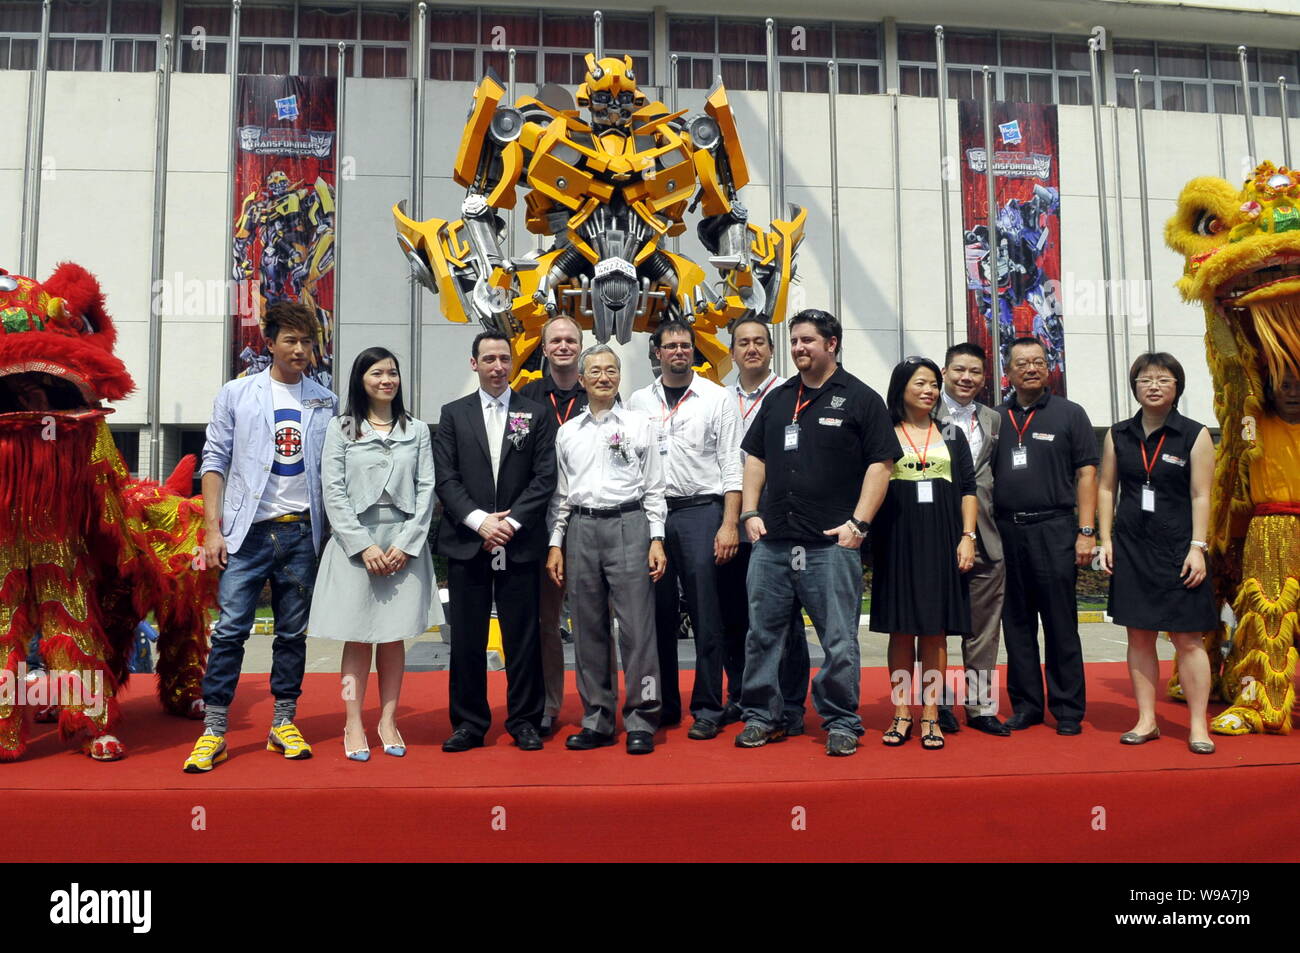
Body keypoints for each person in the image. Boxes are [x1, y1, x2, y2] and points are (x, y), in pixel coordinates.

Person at [735, 309, 897, 757]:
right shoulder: (779, 397)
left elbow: (881, 465)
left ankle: (842, 720)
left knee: (838, 640)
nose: (799, 349)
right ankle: (764, 717)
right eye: (794, 342)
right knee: (763, 635)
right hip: (773, 542)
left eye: (807, 340)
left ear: (832, 344)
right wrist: (749, 512)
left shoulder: (862, 399)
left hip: (830, 545)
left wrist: (859, 524)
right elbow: (755, 458)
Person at [185, 302, 337, 773]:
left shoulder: (323, 399)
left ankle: (284, 720)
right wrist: (212, 531)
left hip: (302, 533)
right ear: (268, 344)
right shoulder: (237, 394)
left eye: (306, 341)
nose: (299, 349)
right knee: (231, 629)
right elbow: (214, 462)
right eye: (290, 340)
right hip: (247, 532)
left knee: (293, 633)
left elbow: (333, 469)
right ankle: (214, 729)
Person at [308, 347, 442, 760]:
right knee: (358, 635)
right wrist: (362, 545)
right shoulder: (342, 428)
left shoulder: (416, 430)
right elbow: (332, 490)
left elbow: (426, 489)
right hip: (356, 545)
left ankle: (388, 720)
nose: (386, 380)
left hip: (403, 540)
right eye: (376, 373)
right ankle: (352, 721)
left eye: (392, 373)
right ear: (360, 380)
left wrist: (405, 543)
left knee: (392, 635)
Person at [433, 330, 556, 752]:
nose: (498, 367)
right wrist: (480, 522)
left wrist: (512, 523)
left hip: (519, 542)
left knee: (523, 635)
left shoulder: (535, 414)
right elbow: (445, 478)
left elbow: (544, 477)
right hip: (469, 541)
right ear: (474, 364)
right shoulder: (453, 414)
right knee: (467, 637)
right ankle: (468, 722)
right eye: (489, 359)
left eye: (505, 358)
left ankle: (524, 719)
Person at [546, 344, 667, 754]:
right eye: (594, 370)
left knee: (636, 629)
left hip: (628, 525)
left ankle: (642, 718)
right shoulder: (568, 432)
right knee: (588, 629)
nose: (603, 377)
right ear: (581, 380)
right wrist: (556, 543)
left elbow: (654, 487)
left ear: (619, 377)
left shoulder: (639, 424)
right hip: (581, 528)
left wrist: (656, 537)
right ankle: (597, 717)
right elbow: (561, 496)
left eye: (611, 370)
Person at [628, 319, 742, 739]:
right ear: (656, 352)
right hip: (652, 515)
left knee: (706, 613)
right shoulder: (638, 401)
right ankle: (664, 704)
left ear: (694, 351)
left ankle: (709, 705)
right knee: (655, 616)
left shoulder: (717, 398)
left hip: (701, 512)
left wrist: (730, 523)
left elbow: (733, 465)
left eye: (685, 346)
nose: (679, 352)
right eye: (670, 346)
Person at [1098, 353, 1217, 753]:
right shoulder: (1118, 434)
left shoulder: (1194, 434)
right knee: (1139, 635)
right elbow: (1105, 489)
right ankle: (1146, 720)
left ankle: (1199, 725)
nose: (1153, 386)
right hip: (1132, 547)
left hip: (1180, 549)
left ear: (1177, 387)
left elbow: (1202, 495)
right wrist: (1106, 540)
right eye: (1145, 379)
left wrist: (1198, 547)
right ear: (1134, 387)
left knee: (1188, 638)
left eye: (1163, 379)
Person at [992, 336, 1098, 736]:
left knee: (1060, 623)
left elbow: (1086, 473)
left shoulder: (1070, 414)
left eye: (1038, 360)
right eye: (1022, 363)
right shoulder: (994, 417)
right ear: (1009, 371)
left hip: (1054, 528)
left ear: (1049, 365)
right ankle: (1027, 706)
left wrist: (1086, 532)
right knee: (1016, 624)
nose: (1031, 368)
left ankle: (1068, 708)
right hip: (1006, 531)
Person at [871, 357, 978, 750]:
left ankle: (930, 714)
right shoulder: (884, 432)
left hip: (942, 540)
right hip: (896, 539)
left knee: (934, 632)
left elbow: (969, 488)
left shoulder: (952, 432)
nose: (929, 390)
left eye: (934, 383)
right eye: (920, 383)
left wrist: (968, 536)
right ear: (901, 388)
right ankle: (901, 712)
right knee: (901, 630)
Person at [719, 317, 810, 734]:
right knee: (735, 616)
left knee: (785, 621)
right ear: (732, 351)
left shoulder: (793, 395)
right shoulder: (718, 398)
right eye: (743, 343)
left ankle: (790, 702)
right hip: (729, 520)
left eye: (759, 342)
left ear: (772, 350)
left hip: (777, 522)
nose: (751, 349)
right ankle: (742, 694)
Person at [518, 315, 587, 737]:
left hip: (589, 521)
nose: (563, 346)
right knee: (546, 622)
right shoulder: (524, 398)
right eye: (555, 340)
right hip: (539, 527)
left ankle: (601, 702)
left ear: (580, 347)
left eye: (570, 340)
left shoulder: (601, 392)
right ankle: (547, 704)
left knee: (595, 621)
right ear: (543, 348)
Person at [938, 343, 1010, 736]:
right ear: (945, 371)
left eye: (975, 372)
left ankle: (980, 706)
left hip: (986, 535)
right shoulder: (924, 413)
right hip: (936, 534)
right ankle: (936, 704)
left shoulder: (992, 419)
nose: (967, 378)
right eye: (959, 370)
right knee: (933, 624)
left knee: (984, 628)